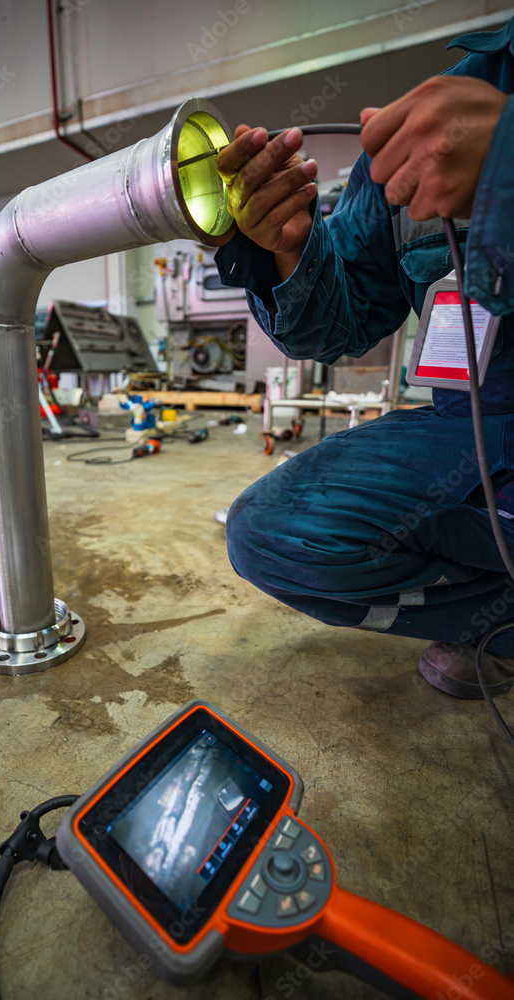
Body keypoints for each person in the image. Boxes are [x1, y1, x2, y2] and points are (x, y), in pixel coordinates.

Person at [214, 17, 514, 700]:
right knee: (272, 532)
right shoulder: (436, 117)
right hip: (470, 427)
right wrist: (287, 246)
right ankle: (501, 620)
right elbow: (335, 324)